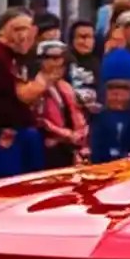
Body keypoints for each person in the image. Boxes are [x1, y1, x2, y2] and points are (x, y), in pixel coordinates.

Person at [0, 7, 49, 181]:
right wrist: (46, 78)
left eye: (26, 29)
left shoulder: (19, 55)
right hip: (1, 137)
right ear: (2, 30)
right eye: (16, 29)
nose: (22, 35)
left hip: (21, 134)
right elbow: (24, 94)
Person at [34, 40, 89, 168]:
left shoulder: (66, 87)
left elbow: (78, 115)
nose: (59, 63)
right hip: (48, 146)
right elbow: (39, 120)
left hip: (71, 145)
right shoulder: (35, 87)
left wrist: (80, 136)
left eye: (62, 60)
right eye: (53, 59)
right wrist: (67, 135)